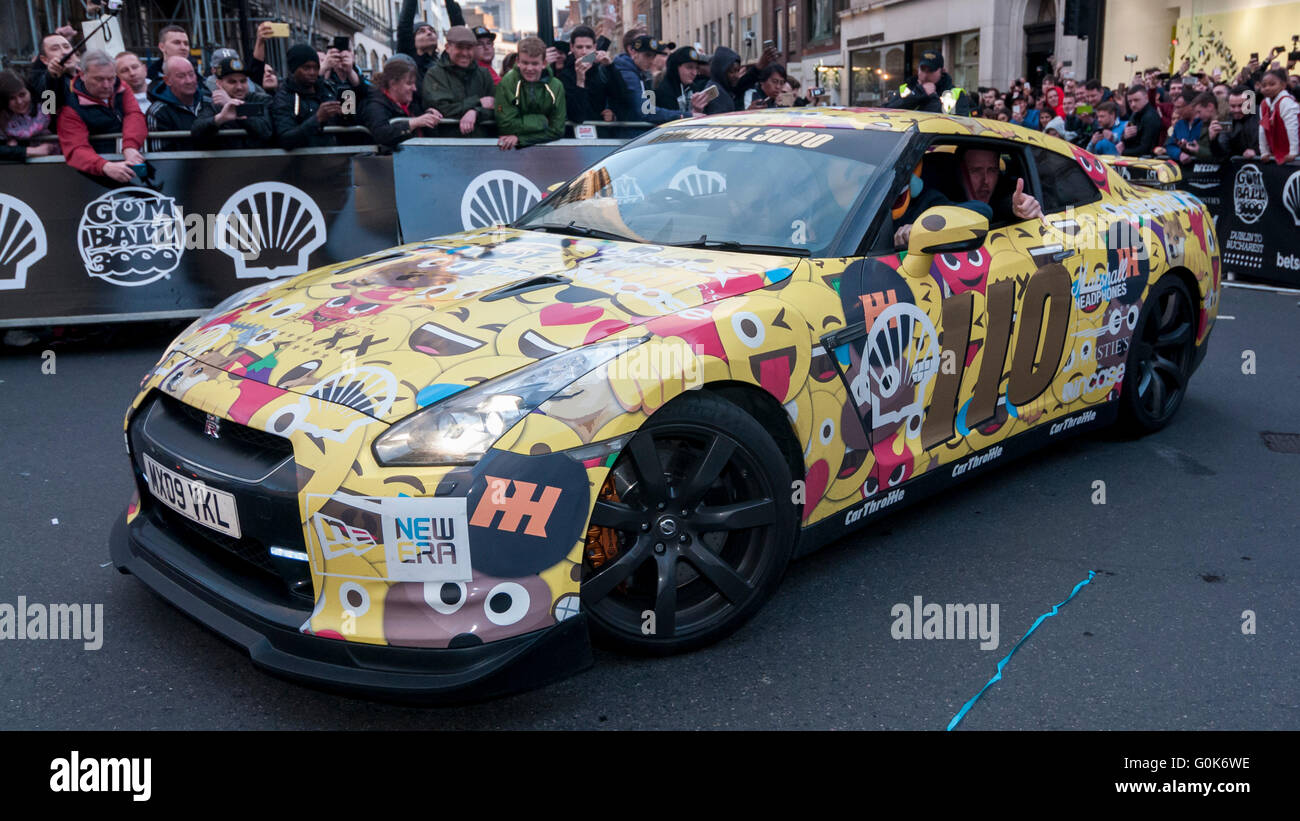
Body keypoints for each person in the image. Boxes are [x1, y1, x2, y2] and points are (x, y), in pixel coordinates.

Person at [892, 147, 1042, 247]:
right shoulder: (934, 199)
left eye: (992, 170)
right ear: (959, 172)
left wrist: (1019, 208)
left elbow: (999, 205)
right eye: (976, 170)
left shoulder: (1007, 193)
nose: (986, 181)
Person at [56, 50, 146, 182]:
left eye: (111, 78)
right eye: (99, 79)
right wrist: (104, 166)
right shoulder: (70, 106)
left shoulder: (121, 86)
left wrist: (130, 146)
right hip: (93, 174)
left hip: (128, 159)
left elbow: (134, 115)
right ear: (82, 75)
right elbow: (76, 149)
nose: (106, 85)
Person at [422, 25, 496, 136]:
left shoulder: (484, 74)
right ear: (447, 47)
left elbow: (499, 108)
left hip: (482, 144)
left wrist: (476, 112)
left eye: (469, 48)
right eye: (460, 47)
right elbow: (442, 110)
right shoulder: (435, 74)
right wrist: (478, 102)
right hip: (448, 144)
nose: (465, 53)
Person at [494, 36, 565, 150]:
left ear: (544, 63)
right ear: (518, 61)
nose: (529, 68)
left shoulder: (556, 86)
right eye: (525, 63)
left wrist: (520, 139)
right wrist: (541, 121)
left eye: (535, 63)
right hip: (511, 151)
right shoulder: (507, 82)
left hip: (546, 152)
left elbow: (557, 130)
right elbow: (506, 125)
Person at [271, 44, 347, 148]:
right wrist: (317, 119)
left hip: (333, 157)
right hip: (303, 160)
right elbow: (285, 139)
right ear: (294, 69)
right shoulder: (283, 97)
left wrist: (346, 115)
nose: (312, 72)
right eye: (306, 68)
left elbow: (349, 127)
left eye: (316, 68)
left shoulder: (328, 89)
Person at [191, 54, 274, 149]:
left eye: (243, 81)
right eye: (232, 82)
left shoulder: (261, 99)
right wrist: (219, 118)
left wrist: (236, 108)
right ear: (219, 83)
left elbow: (266, 130)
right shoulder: (214, 103)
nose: (239, 87)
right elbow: (196, 131)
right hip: (226, 162)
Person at [613, 35, 702, 123]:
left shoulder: (639, 73)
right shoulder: (628, 74)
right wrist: (685, 116)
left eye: (653, 56)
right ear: (633, 52)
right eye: (647, 55)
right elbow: (646, 111)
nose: (651, 60)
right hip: (630, 133)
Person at [360, 58, 442, 149]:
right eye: (409, 83)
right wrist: (412, 124)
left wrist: (429, 115)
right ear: (393, 84)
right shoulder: (375, 106)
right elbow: (381, 134)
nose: (414, 88)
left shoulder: (413, 103)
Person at [145, 55, 209, 151]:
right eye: (181, 76)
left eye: (191, 74)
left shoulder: (209, 102)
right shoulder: (158, 112)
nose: (189, 81)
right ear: (167, 81)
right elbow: (161, 156)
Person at [556, 25, 617, 125]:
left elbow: (622, 97)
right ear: (572, 47)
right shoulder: (565, 75)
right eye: (579, 47)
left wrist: (610, 66)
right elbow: (576, 116)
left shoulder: (601, 68)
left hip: (601, 133)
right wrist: (580, 81)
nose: (584, 52)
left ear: (594, 47)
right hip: (575, 135)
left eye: (588, 47)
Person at [884, 50, 972, 115]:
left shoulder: (955, 95)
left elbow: (959, 127)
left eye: (931, 71)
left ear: (941, 71)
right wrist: (918, 94)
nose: (925, 75)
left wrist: (932, 98)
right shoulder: (907, 89)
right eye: (922, 69)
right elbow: (886, 112)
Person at [700, 44, 774, 114]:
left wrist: (759, 66)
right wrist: (747, 113)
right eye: (731, 71)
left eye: (737, 71)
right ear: (721, 71)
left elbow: (742, 84)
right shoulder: (716, 94)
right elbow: (724, 123)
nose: (736, 75)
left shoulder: (725, 88)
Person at [0, 70, 56, 161]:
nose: (19, 102)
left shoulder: (48, 106)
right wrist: (30, 151)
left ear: (29, 91)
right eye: (12, 98)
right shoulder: (2, 119)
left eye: (22, 95)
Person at [396, 0, 441, 91]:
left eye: (432, 30)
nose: (429, 33)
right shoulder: (408, 61)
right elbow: (404, 24)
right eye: (421, 31)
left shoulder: (442, 64)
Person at [1257, 67, 1298, 164]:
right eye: (1264, 85)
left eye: (1272, 84)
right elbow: (1262, 129)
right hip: (1278, 149)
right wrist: (1264, 152)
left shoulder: (1286, 101)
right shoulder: (1264, 104)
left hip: (1293, 150)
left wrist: (1293, 152)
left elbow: (1292, 127)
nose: (1267, 88)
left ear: (1283, 85)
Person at [26, 32, 78, 107]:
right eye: (55, 49)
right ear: (44, 60)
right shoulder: (42, 81)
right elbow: (50, 107)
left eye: (67, 47)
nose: (65, 52)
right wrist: (52, 77)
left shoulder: (86, 74)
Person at [1168, 91, 1218, 164]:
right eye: (1175, 107)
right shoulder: (1180, 124)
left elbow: (1218, 155)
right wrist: (1180, 153)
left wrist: (1197, 150)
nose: (1176, 111)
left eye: (1179, 107)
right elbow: (1169, 145)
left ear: (1190, 106)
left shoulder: (1210, 124)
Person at [1210, 86, 1259, 159]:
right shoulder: (1226, 120)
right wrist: (1213, 140)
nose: (1237, 110)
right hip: (1238, 167)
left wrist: (1257, 151)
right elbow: (1223, 152)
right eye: (1232, 106)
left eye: (1241, 106)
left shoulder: (1262, 114)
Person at [654, 45, 706, 115]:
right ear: (676, 68)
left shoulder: (693, 88)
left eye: (696, 68)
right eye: (689, 67)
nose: (694, 73)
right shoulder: (664, 90)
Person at [1118, 84, 1163, 156]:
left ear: (1146, 98)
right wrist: (1125, 136)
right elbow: (1129, 140)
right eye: (1130, 101)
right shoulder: (1135, 114)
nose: (1133, 104)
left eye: (1136, 100)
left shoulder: (1150, 117)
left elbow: (1146, 149)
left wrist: (1123, 152)